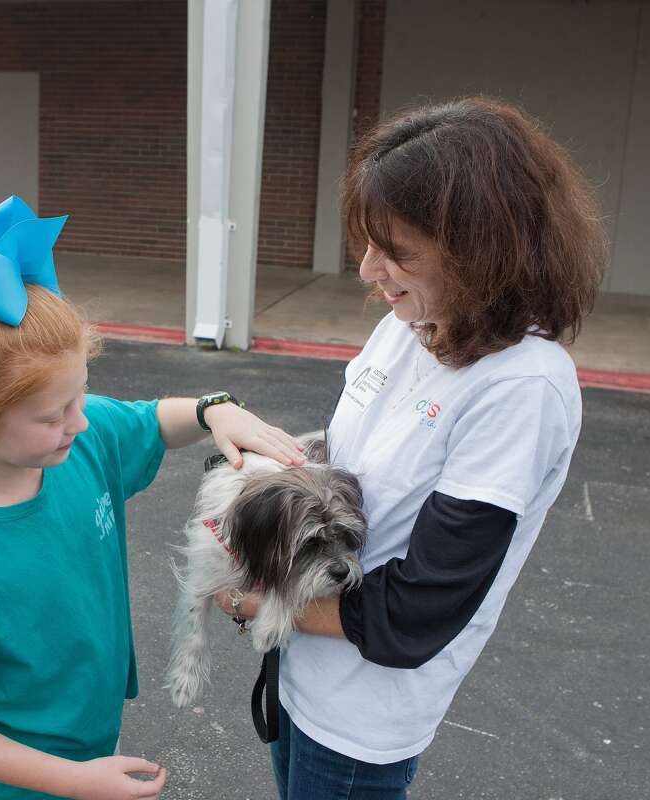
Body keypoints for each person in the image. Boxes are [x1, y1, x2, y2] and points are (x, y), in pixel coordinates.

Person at [218, 97, 606, 798]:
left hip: (361, 716)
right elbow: (342, 469)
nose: (368, 271)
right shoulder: (409, 325)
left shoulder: (521, 387)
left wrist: (255, 602)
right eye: (367, 244)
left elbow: (416, 613)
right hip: (302, 671)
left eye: (395, 250)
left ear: (480, 250)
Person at [0, 198, 305, 800]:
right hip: (25, 786)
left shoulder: (73, 443)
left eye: (80, 395)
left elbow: (152, 419)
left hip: (90, 745)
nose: (80, 421)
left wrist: (215, 410)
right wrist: (76, 779)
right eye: (54, 414)